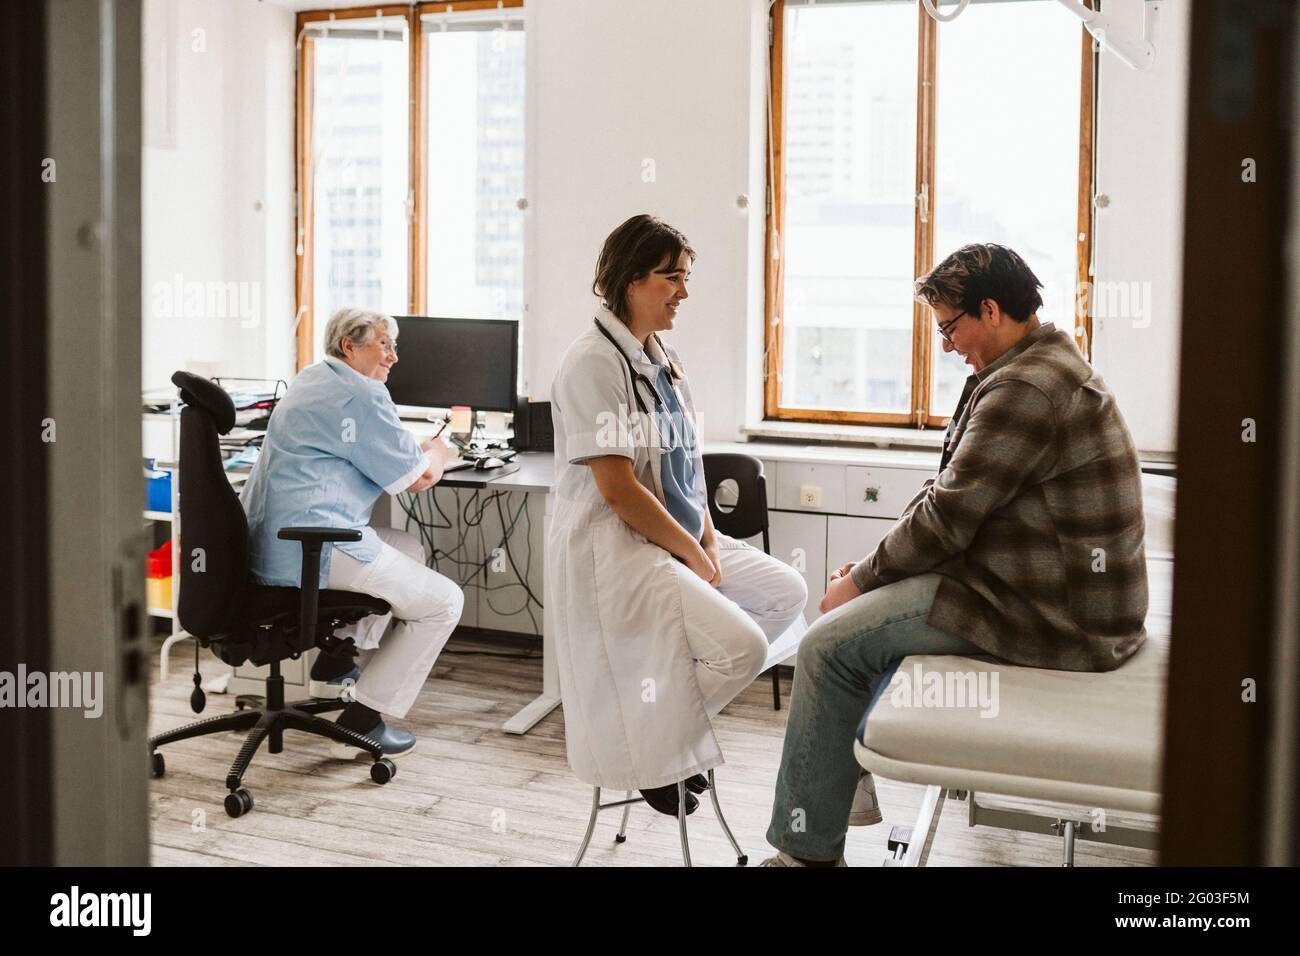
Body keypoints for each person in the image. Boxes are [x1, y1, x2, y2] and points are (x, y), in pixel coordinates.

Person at [761, 243, 1149, 866]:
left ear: (990, 310)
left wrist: (858, 585)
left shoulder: (1028, 387)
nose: (944, 345)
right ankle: (830, 809)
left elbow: (946, 519)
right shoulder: (1034, 365)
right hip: (1036, 591)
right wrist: (865, 573)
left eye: (949, 328)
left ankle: (805, 856)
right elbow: (945, 494)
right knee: (845, 620)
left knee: (826, 647)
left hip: (1060, 618)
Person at [546, 214, 808, 817]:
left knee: (785, 593)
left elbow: (687, 462)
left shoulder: (662, 358)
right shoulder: (593, 362)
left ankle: (659, 734)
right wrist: (692, 554)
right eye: (672, 278)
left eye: (685, 277)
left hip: (677, 531)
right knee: (739, 647)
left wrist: (710, 539)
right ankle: (657, 758)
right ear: (630, 280)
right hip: (614, 543)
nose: (684, 292)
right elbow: (617, 489)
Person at [240, 307, 463, 756]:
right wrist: (439, 450)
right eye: (385, 344)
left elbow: (369, 449)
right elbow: (417, 480)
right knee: (443, 603)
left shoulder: (312, 379)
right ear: (350, 346)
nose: (394, 357)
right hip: (312, 547)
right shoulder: (362, 396)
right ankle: (364, 718)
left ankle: (338, 659)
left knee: (406, 547)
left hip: (268, 546)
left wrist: (411, 453)